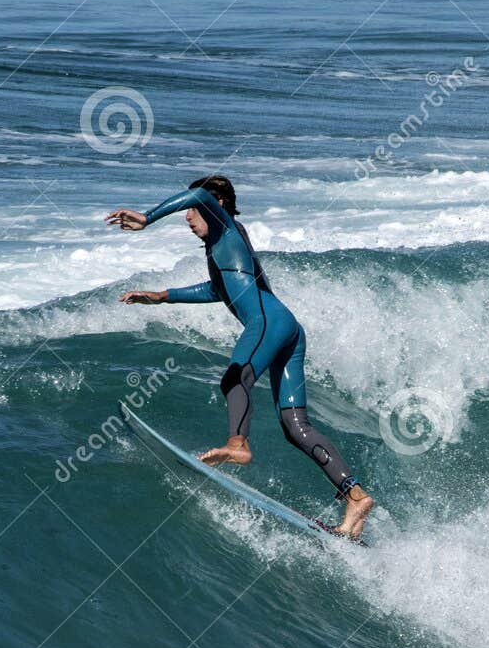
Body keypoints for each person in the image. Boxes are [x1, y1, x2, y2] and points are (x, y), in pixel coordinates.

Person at [105, 176, 375, 540]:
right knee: (296, 428)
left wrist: (148, 217)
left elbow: (200, 193)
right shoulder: (224, 245)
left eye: (191, 210)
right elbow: (218, 289)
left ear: (215, 205)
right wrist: (163, 296)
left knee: (235, 378)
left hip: (268, 321)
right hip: (287, 328)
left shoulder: (225, 227)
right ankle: (355, 498)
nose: (187, 216)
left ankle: (238, 445)